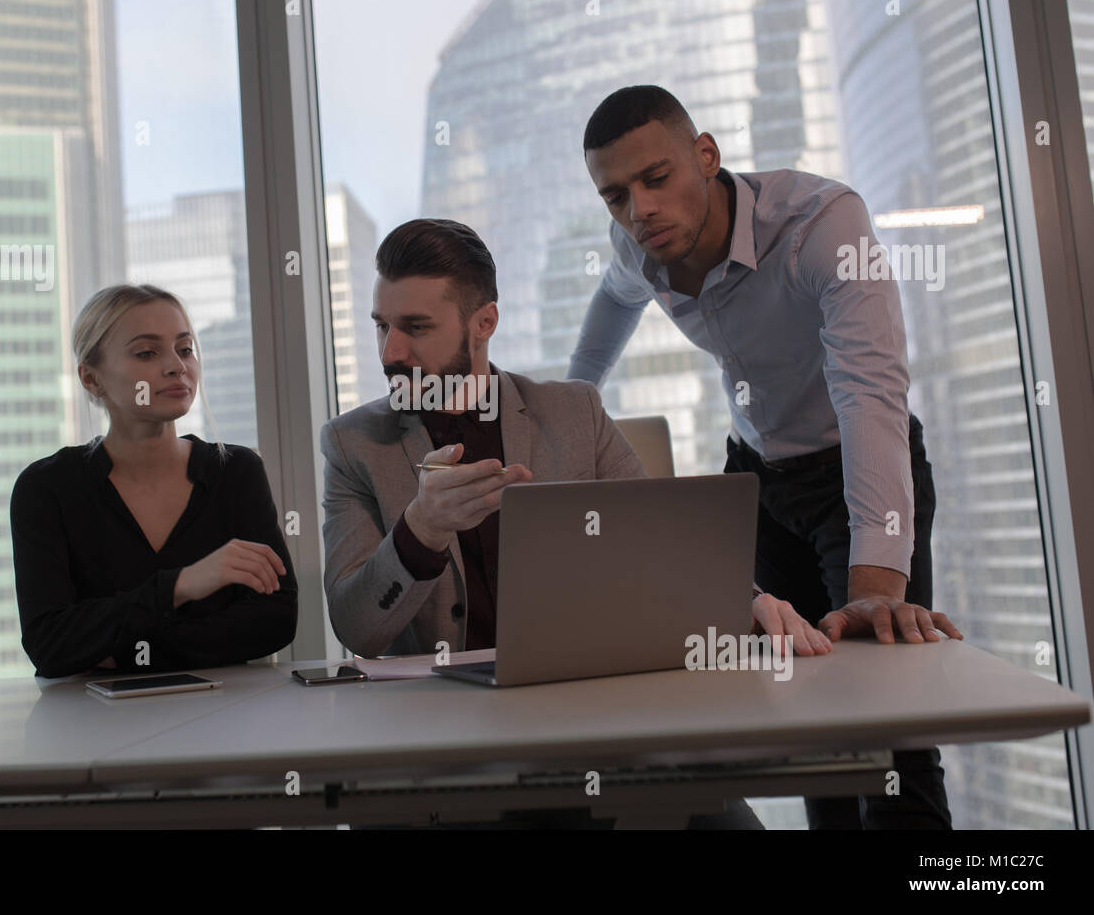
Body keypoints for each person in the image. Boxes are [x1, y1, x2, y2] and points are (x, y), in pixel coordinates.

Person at [320, 218, 833, 829]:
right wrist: (419, 533)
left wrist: (743, 601)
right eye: (382, 326)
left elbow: (660, 542)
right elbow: (357, 627)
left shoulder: (571, 413)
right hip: (442, 750)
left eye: (415, 328)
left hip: (592, 721)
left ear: (484, 324)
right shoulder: (353, 445)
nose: (390, 353)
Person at [568, 84, 964, 829]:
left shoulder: (821, 224)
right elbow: (612, 305)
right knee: (806, 723)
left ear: (707, 157)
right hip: (755, 478)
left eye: (657, 179)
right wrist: (569, 405)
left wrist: (877, 585)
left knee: (893, 733)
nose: (639, 209)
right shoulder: (638, 245)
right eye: (615, 195)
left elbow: (870, 392)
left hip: (854, 472)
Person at [11, 284, 296, 679]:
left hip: (227, 721)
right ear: (91, 379)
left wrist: (128, 652)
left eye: (184, 348)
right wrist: (182, 585)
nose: (176, 366)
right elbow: (51, 642)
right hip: (90, 730)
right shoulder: (47, 488)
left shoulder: (236, 470)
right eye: (147, 353)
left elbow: (276, 619)